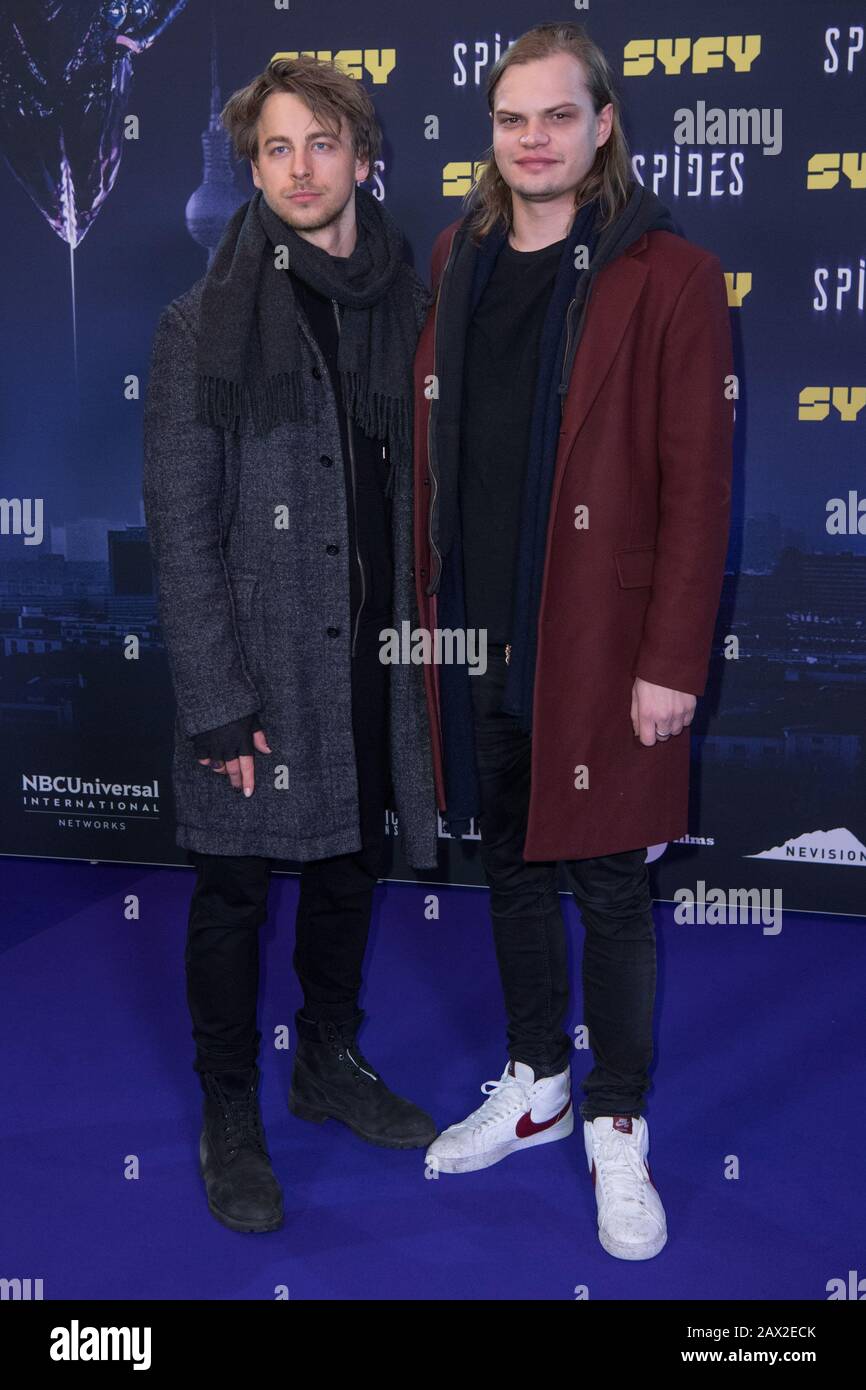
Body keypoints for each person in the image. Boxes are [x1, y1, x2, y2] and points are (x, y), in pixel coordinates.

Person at [412, 22, 734, 1261]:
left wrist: (670, 662)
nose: (531, 139)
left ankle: (616, 1119)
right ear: (489, 136)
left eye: (556, 115)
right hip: (479, 629)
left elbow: (696, 486)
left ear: (602, 124)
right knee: (508, 862)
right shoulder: (458, 255)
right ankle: (536, 1079)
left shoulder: (670, 274)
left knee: (607, 888)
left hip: (604, 640)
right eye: (510, 119)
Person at [143, 56, 438, 1235]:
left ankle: (326, 1060)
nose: (301, 168)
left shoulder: (407, 304)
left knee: (346, 867)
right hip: (257, 670)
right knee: (232, 890)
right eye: (276, 148)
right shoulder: (197, 327)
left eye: (322, 142)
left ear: (362, 156)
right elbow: (182, 527)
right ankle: (230, 1109)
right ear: (252, 169)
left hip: (373, 658)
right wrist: (217, 701)